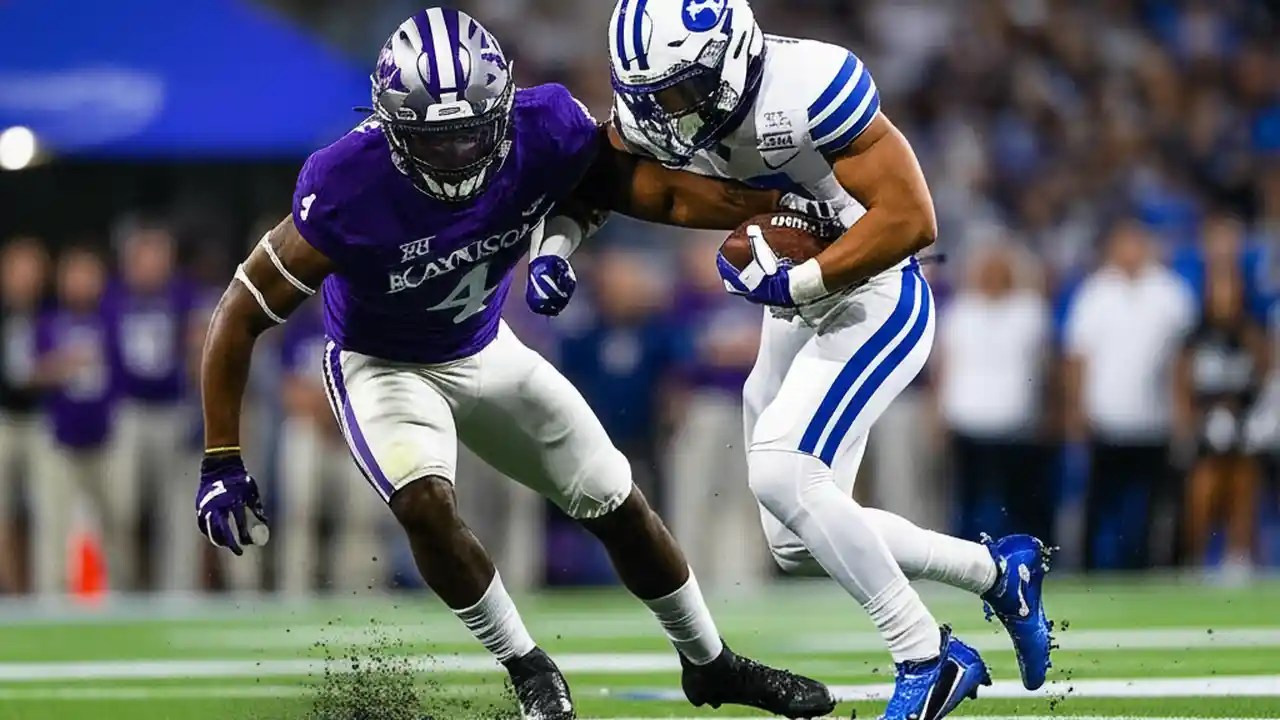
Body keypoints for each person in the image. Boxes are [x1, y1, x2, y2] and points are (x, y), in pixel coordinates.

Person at [194, 9, 832, 720]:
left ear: (502, 107)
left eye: (473, 130)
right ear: (393, 131)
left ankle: (711, 666)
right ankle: (529, 669)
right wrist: (222, 456)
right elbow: (240, 312)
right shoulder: (345, 186)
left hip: (483, 344)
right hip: (383, 364)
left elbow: (639, 190)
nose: (462, 153)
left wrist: (781, 202)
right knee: (424, 502)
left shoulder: (548, 125)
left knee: (616, 499)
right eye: (437, 140)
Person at [601, 1, 1055, 716]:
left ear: (733, 56)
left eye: (681, 92)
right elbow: (605, 178)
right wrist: (556, 247)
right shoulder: (669, 103)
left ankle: (925, 655)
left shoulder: (810, 83)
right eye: (653, 98)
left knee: (784, 469)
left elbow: (912, 217)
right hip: (796, 311)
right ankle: (997, 572)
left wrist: (801, 277)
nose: (671, 116)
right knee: (796, 539)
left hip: (877, 292)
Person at [1064, 221, 1197, 570]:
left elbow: (1182, 361)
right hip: (1105, 419)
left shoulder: (1171, 292)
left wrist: (1183, 414)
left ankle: (1156, 567)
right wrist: (1076, 408)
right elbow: (1078, 357)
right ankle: (1088, 568)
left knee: (1157, 503)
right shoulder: (1095, 292)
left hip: (1156, 418)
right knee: (1099, 501)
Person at [937, 242, 1054, 542]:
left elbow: (1045, 368)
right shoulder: (961, 312)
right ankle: (966, 559)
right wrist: (937, 414)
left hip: (1016, 422)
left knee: (1018, 500)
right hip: (966, 419)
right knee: (968, 498)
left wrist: (1048, 412)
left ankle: (1022, 560)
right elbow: (947, 366)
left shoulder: (1030, 310)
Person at [106, 220, 199, 591]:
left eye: (159, 254)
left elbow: (198, 346)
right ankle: (120, 587)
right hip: (128, 411)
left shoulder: (182, 294)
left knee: (176, 509)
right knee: (122, 506)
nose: (152, 263)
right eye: (145, 255)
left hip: (172, 410)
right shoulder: (112, 297)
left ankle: (177, 590)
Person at [31, 246, 121, 595]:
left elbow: (127, 374)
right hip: (60, 437)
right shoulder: (48, 322)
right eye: (75, 274)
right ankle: (49, 597)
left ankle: (120, 596)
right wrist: (60, 365)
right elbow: (30, 374)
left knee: (116, 522)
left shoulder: (111, 319)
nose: (82, 282)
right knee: (54, 524)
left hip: (106, 435)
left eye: (88, 273)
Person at [1176, 261, 1270, 579]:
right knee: (1203, 487)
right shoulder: (1196, 336)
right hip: (1207, 421)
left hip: (1243, 418)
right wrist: (1187, 422)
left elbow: (1265, 374)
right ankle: (1197, 556)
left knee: (1243, 484)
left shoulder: (1253, 334)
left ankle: (1238, 556)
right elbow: (1183, 381)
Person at [0, 236, 50, 593]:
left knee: (44, 510)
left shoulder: (52, 312)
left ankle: (41, 590)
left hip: (42, 422)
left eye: (32, 268)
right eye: (18, 267)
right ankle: (9, 588)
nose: (25, 276)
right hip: (3, 418)